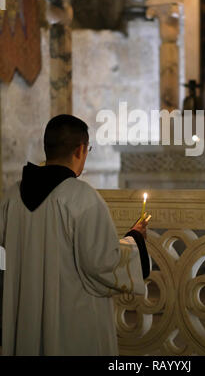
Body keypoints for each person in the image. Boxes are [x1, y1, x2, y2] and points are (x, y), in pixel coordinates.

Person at [0, 115, 150, 356]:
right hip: (73, 323)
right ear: (80, 149)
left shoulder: (12, 196)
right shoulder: (83, 198)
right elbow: (103, 264)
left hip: (24, 315)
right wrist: (136, 239)